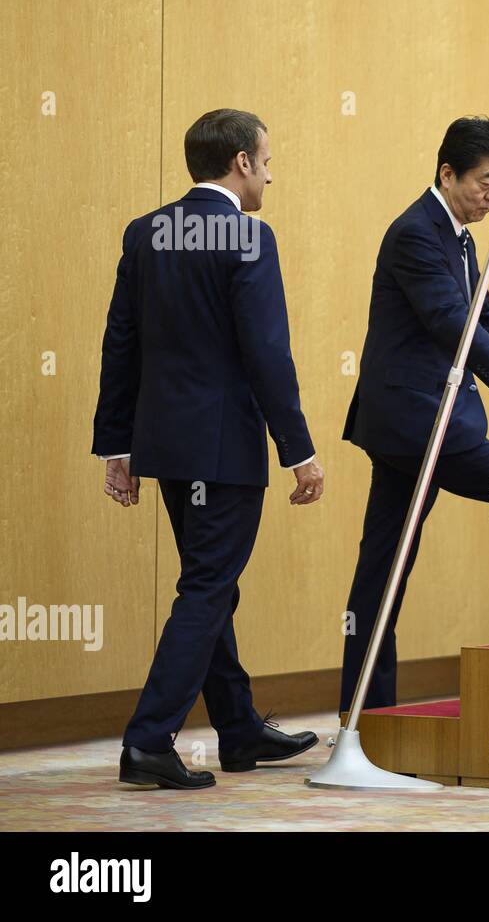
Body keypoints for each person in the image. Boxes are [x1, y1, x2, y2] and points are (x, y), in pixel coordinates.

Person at [93, 108, 323, 790]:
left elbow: (121, 343)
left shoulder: (146, 232)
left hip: (165, 445)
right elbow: (268, 354)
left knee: (207, 583)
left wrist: (116, 445)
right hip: (223, 450)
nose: (272, 175)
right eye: (268, 160)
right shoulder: (250, 238)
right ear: (242, 163)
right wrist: (298, 449)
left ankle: (239, 728)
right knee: (207, 587)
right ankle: (148, 740)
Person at [339, 116, 489, 712]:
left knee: (385, 562)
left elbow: (487, 315)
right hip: (418, 423)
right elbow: (451, 319)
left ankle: (366, 709)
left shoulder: (457, 235)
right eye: (484, 182)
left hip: (417, 424)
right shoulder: (416, 234)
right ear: (447, 173)